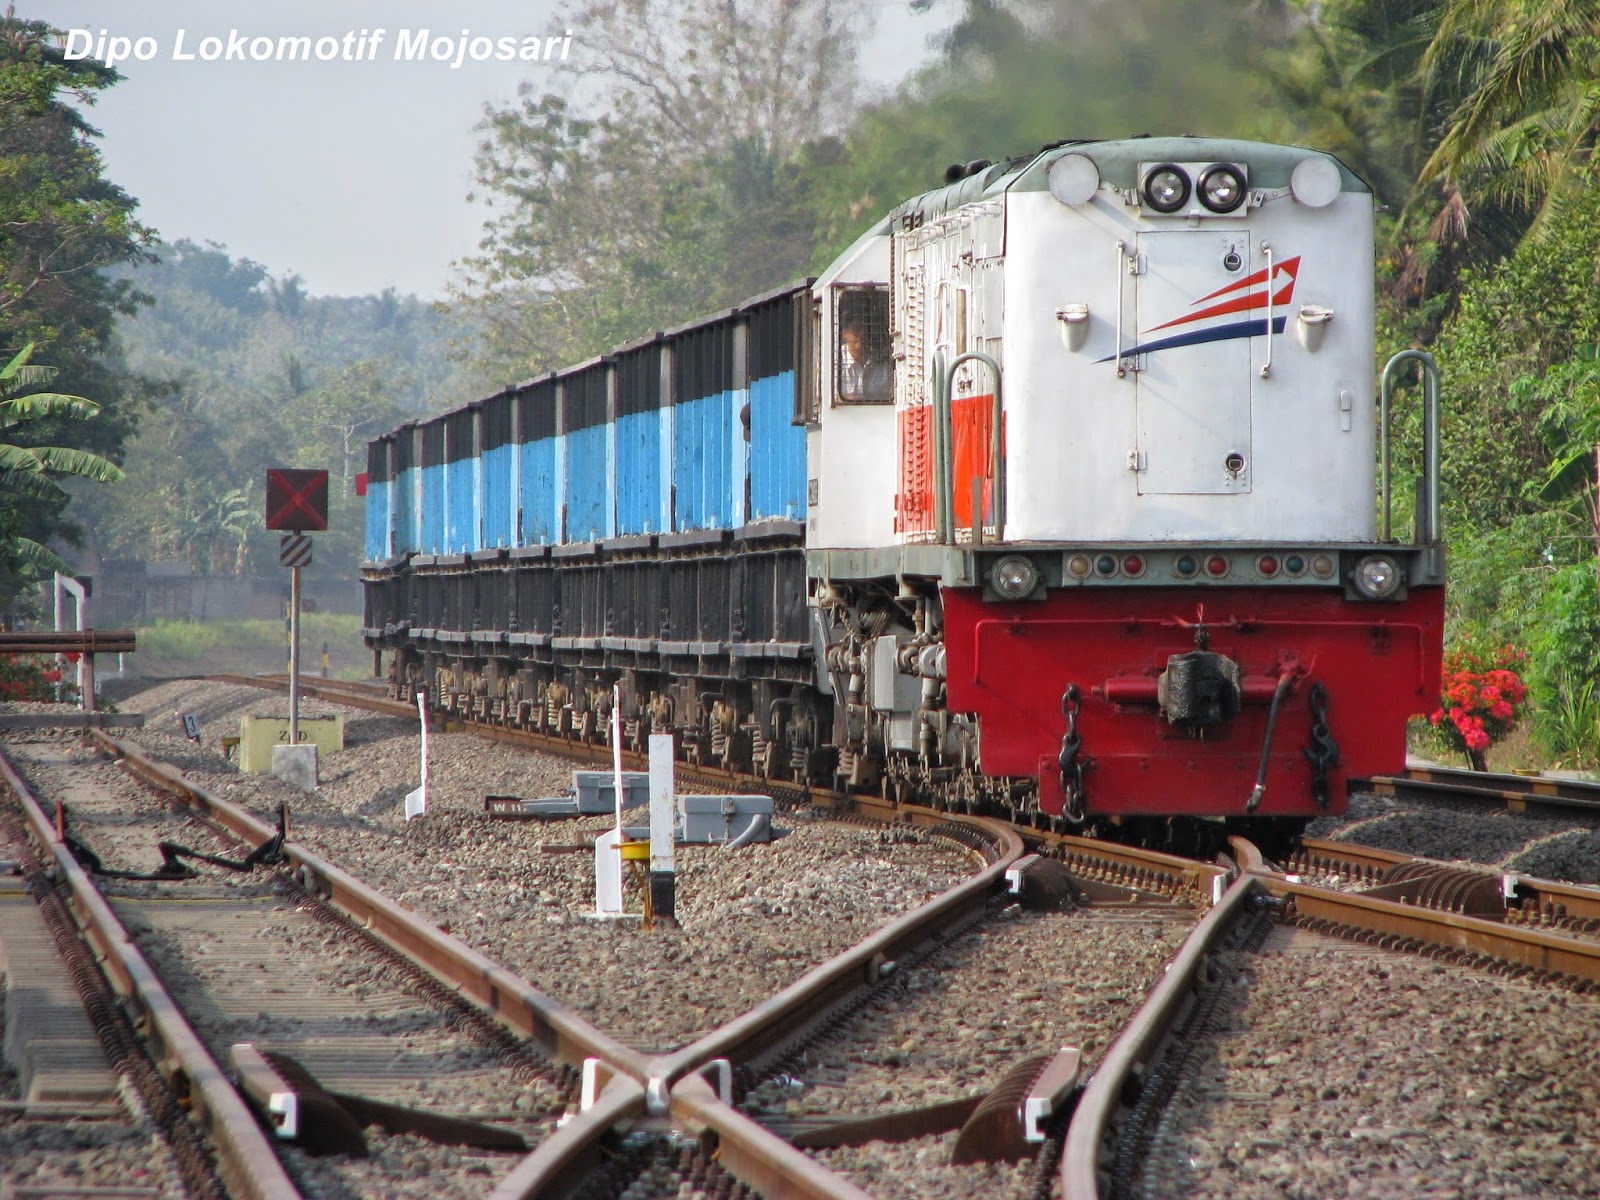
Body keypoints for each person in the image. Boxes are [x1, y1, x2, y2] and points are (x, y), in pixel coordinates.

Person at [838, 290, 892, 403]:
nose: (861, 334)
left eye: (865, 329)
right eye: (856, 329)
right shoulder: (835, 362)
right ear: (844, 332)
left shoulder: (882, 363)